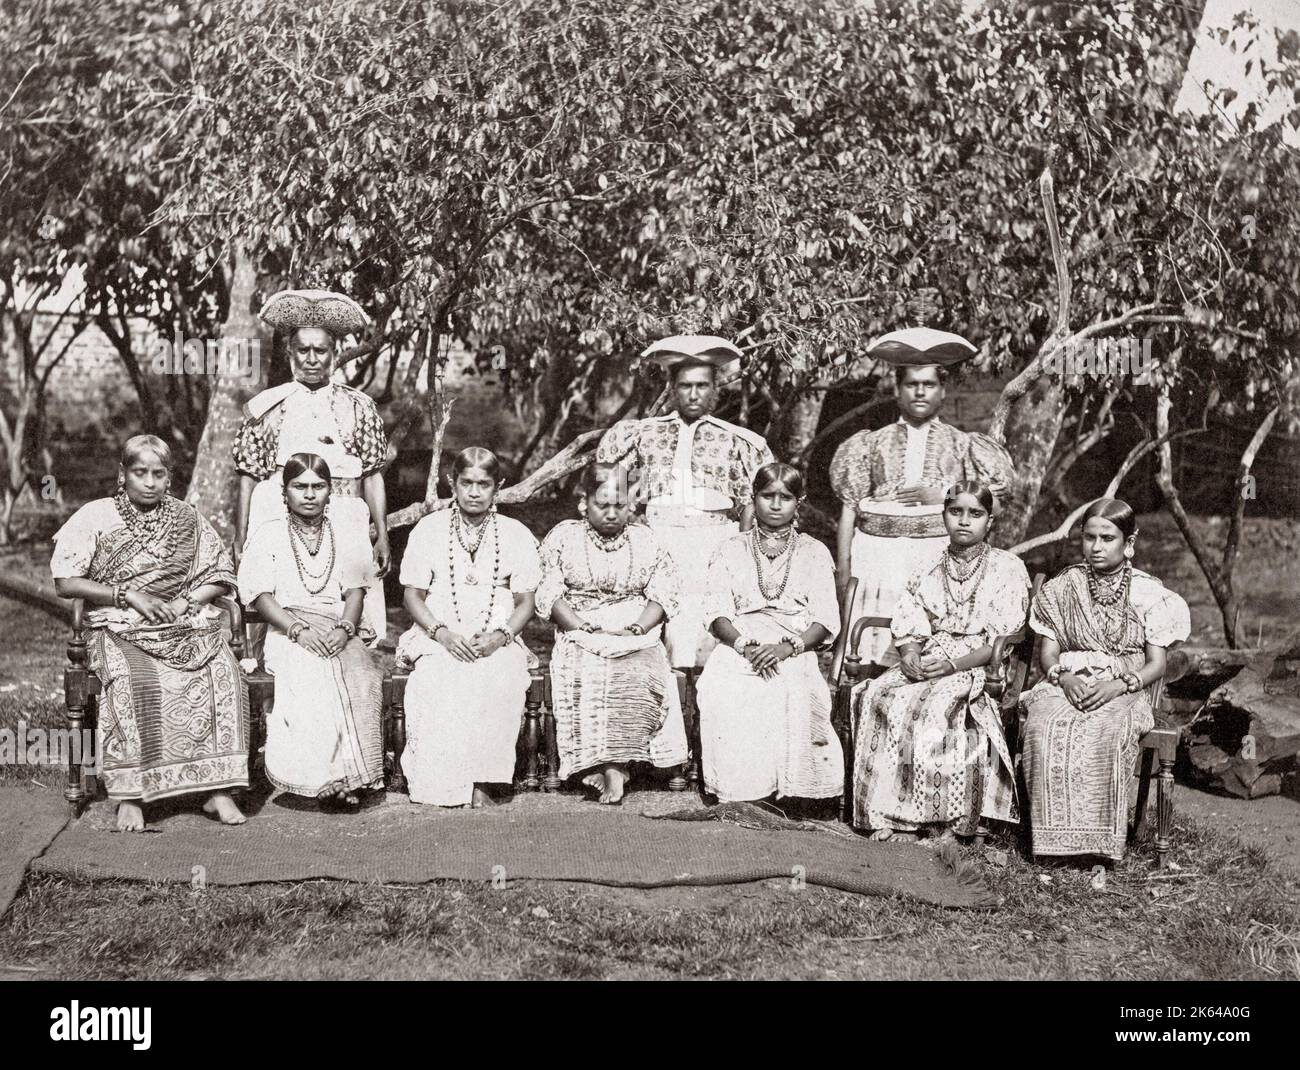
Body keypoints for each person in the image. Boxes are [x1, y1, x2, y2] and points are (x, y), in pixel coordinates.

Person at [50, 435, 249, 831]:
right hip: (117, 625)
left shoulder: (187, 518)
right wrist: (127, 595)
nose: (150, 482)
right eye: (140, 473)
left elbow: (220, 574)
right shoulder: (96, 515)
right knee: (132, 678)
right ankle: (131, 795)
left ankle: (217, 789)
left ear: (169, 478)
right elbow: (65, 581)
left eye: (159, 474)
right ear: (123, 474)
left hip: (180, 623)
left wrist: (184, 602)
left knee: (221, 670)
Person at [850, 481, 1028, 842]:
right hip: (933, 651)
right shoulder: (928, 564)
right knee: (878, 694)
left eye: (975, 514)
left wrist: (954, 665)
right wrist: (911, 653)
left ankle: (942, 818)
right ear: (944, 516)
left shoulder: (1007, 567)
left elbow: (1001, 637)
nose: (964, 521)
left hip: (980, 661)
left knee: (935, 705)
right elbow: (911, 616)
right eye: (955, 512)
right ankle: (887, 811)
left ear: (990, 521)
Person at [830, 328, 1014, 666]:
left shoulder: (963, 444)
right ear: (897, 390)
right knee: (871, 649)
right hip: (878, 559)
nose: (920, 392)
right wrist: (844, 568)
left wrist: (944, 494)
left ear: (943, 391)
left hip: (937, 558)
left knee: (926, 645)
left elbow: (994, 503)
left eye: (929, 385)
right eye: (911, 384)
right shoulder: (870, 444)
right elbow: (849, 507)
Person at [1021, 497, 1189, 862]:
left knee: (1109, 731)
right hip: (1066, 679)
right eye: (1089, 537)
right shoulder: (1063, 587)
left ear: (1129, 543)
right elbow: (1047, 653)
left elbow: (1156, 664)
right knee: (1042, 727)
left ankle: (1098, 845)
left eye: (1107, 538)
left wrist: (1119, 685)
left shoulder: (1148, 592)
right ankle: (1051, 844)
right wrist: (1063, 679)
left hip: (1125, 685)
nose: (1096, 547)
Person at [596, 334, 774, 670]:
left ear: (715, 389)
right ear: (672, 388)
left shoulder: (737, 440)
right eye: (685, 386)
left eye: (702, 386)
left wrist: (740, 550)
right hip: (658, 541)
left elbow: (751, 502)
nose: (694, 394)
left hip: (714, 544)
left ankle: (701, 707)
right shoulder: (642, 434)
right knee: (657, 628)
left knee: (708, 630)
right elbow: (610, 488)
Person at [233, 289, 389, 637]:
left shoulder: (359, 406)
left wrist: (381, 534)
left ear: (335, 354)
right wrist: (242, 534)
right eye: (303, 350)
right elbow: (248, 475)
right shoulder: (268, 407)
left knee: (353, 607)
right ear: (290, 353)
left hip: (346, 517)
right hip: (277, 515)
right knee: (278, 603)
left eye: (321, 351)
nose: (312, 359)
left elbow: (373, 473)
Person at [236, 453, 385, 808]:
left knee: (363, 674)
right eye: (299, 486)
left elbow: (355, 592)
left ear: (330, 491)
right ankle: (320, 779)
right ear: (284, 492)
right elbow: (260, 597)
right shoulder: (269, 534)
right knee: (310, 672)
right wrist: (298, 631)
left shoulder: (346, 534)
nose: (309, 494)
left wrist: (346, 627)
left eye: (318, 486)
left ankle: (352, 775)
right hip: (288, 630)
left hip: (338, 628)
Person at [535, 462, 687, 804]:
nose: (611, 513)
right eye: (602, 505)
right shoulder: (564, 536)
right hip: (581, 625)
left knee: (639, 667)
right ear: (583, 503)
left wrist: (638, 627)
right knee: (588, 666)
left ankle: (618, 764)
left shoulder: (645, 539)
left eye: (619, 506)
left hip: (633, 625)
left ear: (630, 505)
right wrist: (579, 625)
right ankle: (599, 763)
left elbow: (662, 592)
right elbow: (548, 592)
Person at [396, 447, 540, 808]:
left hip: (498, 635)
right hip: (437, 632)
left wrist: (500, 636)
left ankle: (484, 781)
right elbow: (412, 596)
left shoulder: (516, 533)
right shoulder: (429, 529)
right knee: (436, 680)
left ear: (499, 487)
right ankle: (442, 785)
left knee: (500, 676)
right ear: (452, 483)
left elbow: (526, 602)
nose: (474, 492)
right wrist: (441, 634)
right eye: (466, 483)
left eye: (484, 484)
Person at [695, 463, 843, 803]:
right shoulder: (730, 548)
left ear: (799, 502)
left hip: (795, 646)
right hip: (740, 643)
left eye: (786, 497)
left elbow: (823, 620)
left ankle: (791, 791)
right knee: (725, 686)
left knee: (791, 688)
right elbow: (717, 612)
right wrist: (744, 645)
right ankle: (742, 791)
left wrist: (786, 648)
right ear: (753, 498)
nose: (776, 504)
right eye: (767, 496)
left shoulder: (814, 551)